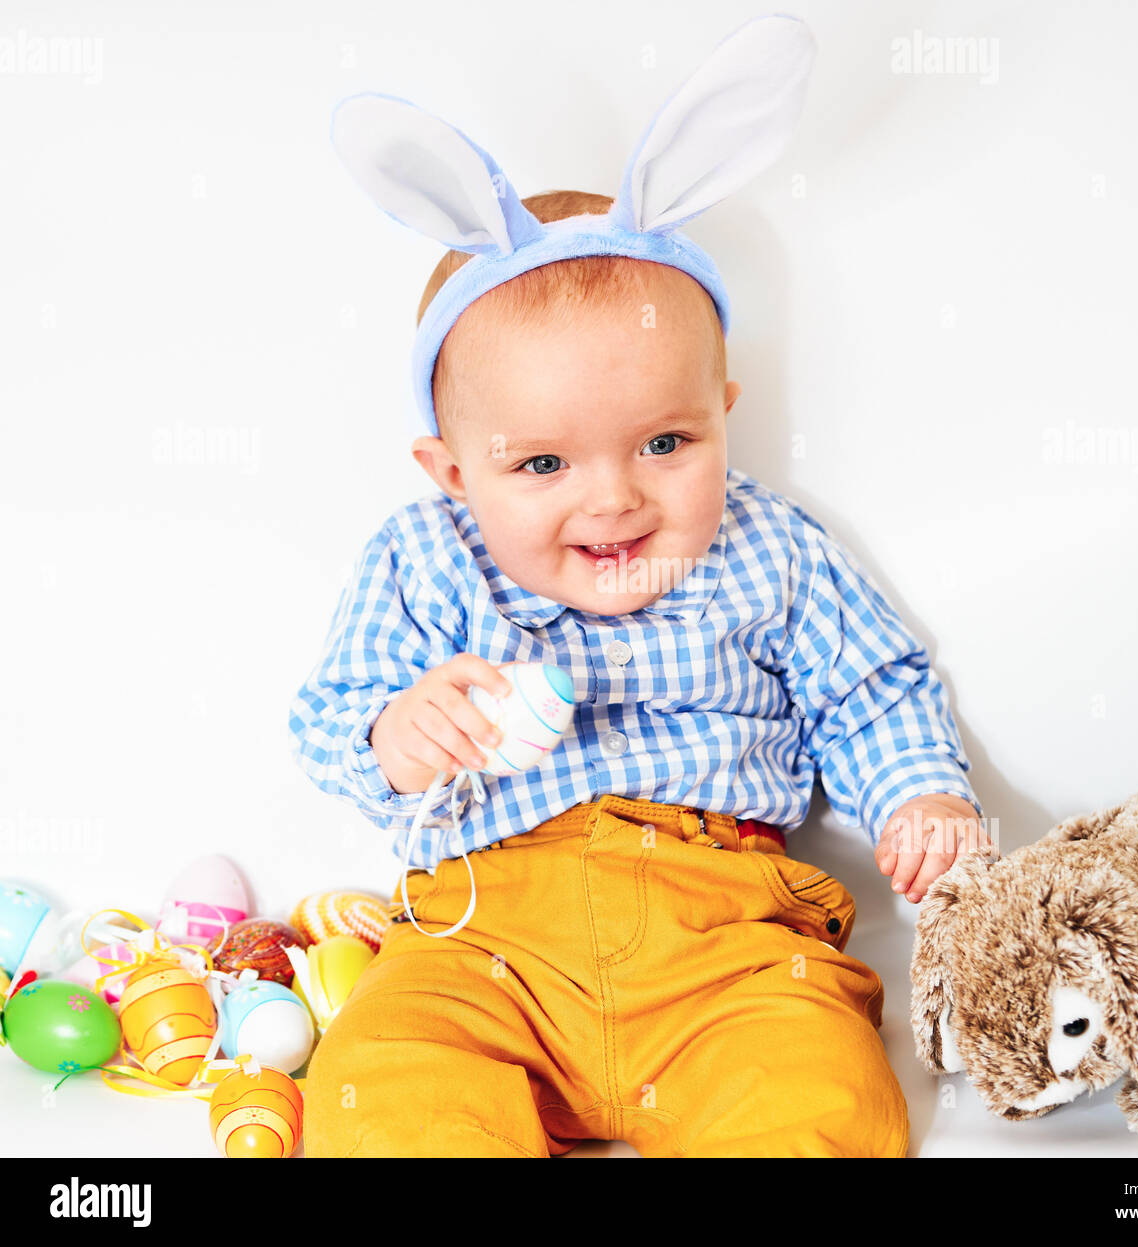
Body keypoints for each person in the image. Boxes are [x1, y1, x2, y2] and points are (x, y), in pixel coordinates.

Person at [287, 17, 992, 1157]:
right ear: (454, 473)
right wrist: (397, 732)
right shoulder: (421, 557)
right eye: (544, 464)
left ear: (724, 406)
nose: (612, 499)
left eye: (664, 442)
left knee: (819, 1088)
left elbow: (870, 690)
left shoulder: (772, 547)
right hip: (481, 943)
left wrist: (921, 798)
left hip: (729, 937)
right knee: (386, 1077)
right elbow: (327, 722)